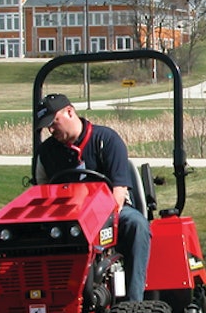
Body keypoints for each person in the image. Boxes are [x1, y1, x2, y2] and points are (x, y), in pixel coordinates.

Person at [33, 93, 152, 301]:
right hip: (65, 217)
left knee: (137, 225)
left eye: (53, 123)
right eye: (47, 127)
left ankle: (134, 302)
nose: (51, 130)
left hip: (110, 213)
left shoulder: (106, 140)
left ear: (69, 112)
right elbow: (42, 194)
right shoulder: (46, 153)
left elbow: (119, 192)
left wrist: (94, 222)